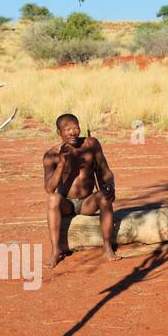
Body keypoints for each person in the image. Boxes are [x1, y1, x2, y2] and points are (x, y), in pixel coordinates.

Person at [42, 113, 117, 266]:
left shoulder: (91, 144)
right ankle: (56, 250)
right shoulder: (51, 155)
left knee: (104, 197)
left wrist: (110, 186)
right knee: (53, 199)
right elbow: (49, 189)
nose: (72, 132)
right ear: (59, 132)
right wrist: (62, 164)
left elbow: (105, 169)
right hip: (67, 204)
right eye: (67, 129)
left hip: (87, 203)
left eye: (76, 128)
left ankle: (108, 247)